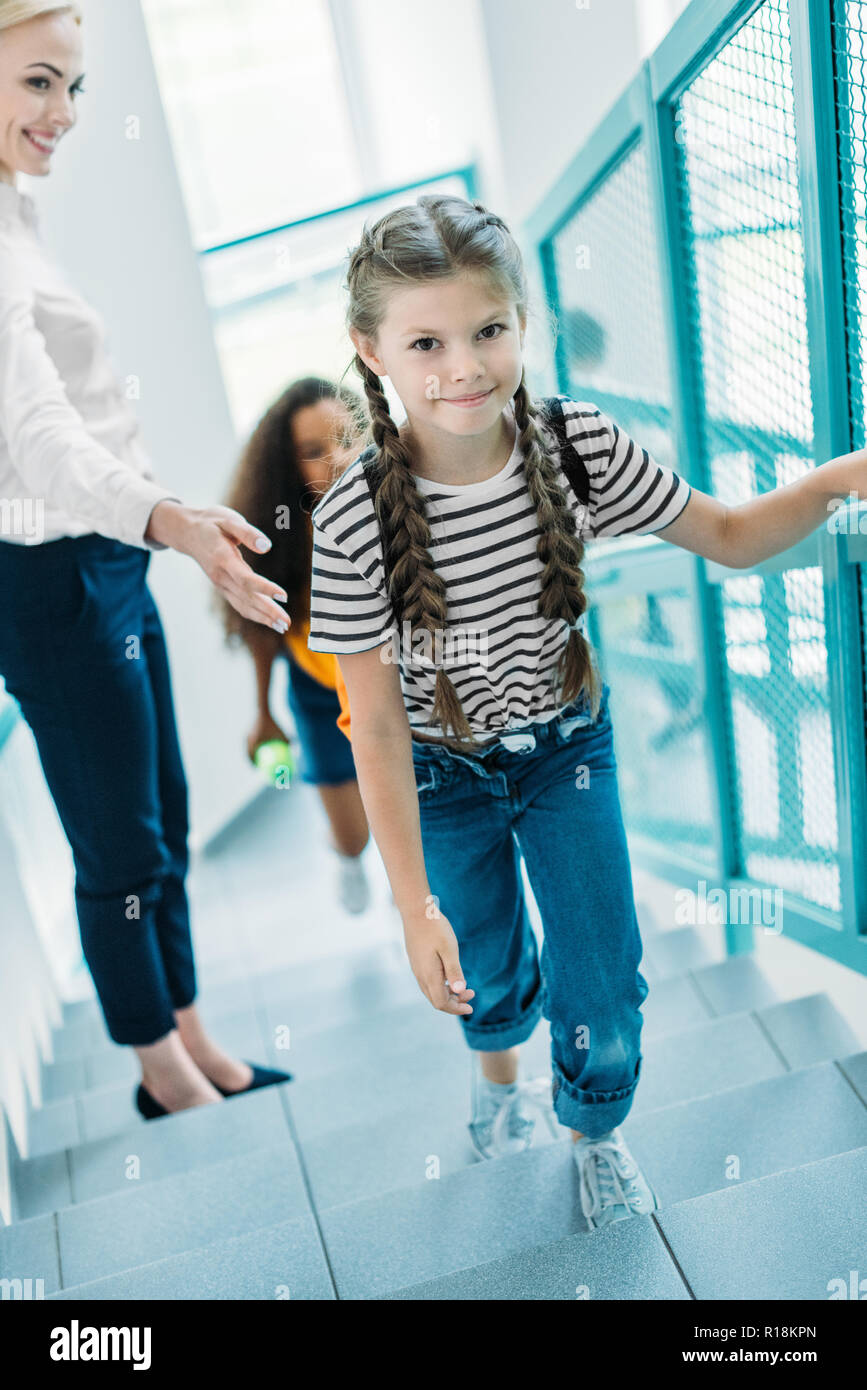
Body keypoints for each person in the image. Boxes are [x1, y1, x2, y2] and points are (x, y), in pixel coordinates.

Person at [306, 193, 867, 1227]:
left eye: (489, 329)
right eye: (425, 341)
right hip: (440, 775)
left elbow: (733, 535)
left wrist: (839, 479)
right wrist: (409, 901)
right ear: (371, 350)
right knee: (485, 969)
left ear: (525, 320)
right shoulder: (350, 518)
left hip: (570, 753)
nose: (464, 365)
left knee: (603, 983)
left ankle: (593, 1132)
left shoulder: (578, 446)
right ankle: (495, 1084)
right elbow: (373, 725)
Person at [0, 2, 291, 1120]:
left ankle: (192, 1029)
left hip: (106, 561)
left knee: (159, 809)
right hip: (57, 579)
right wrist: (172, 518)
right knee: (118, 839)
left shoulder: (18, 214)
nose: (65, 114)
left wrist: (150, 529)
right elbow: (41, 443)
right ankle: (157, 1066)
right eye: (39, 82)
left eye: (73, 87)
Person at [219, 377, 372, 913]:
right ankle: (348, 860)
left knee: (418, 822)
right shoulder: (279, 537)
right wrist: (262, 714)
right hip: (319, 693)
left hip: (390, 689)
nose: (339, 458)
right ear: (287, 468)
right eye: (313, 452)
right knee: (354, 836)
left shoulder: (390, 506)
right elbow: (265, 635)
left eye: (349, 436)